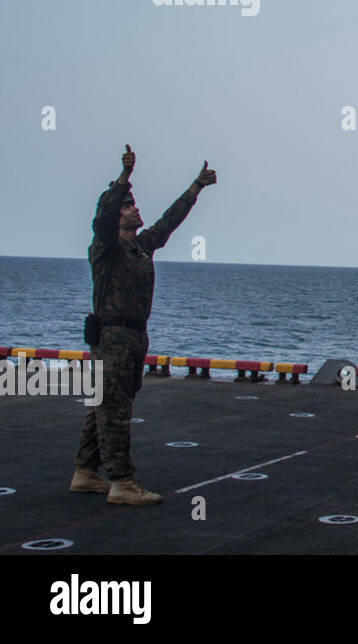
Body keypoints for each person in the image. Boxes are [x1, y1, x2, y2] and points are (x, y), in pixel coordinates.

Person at [71, 144, 216, 505]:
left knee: (105, 405)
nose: (135, 207)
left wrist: (195, 188)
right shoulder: (106, 249)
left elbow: (169, 220)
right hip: (113, 335)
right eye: (127, 205)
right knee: (115, 409)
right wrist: (123, 178)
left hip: (135, 335)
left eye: (132, 203)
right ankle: (121, 482)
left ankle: (86, 472)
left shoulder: (141, 247)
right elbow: (102, 216)